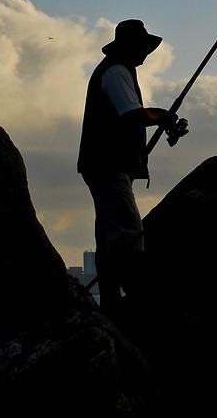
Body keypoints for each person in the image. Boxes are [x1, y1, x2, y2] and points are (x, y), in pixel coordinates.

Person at [78, 19, 187, 315]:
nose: (145, 53)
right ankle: (137, 299)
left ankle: (112, 300)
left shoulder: (116, 70)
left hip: (104, 165)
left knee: (110, 236)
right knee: (128, 231)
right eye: (142, 47)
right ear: (131, 47)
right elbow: (130, 115)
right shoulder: (115, 72)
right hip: (108, 166)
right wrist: (162, 116)